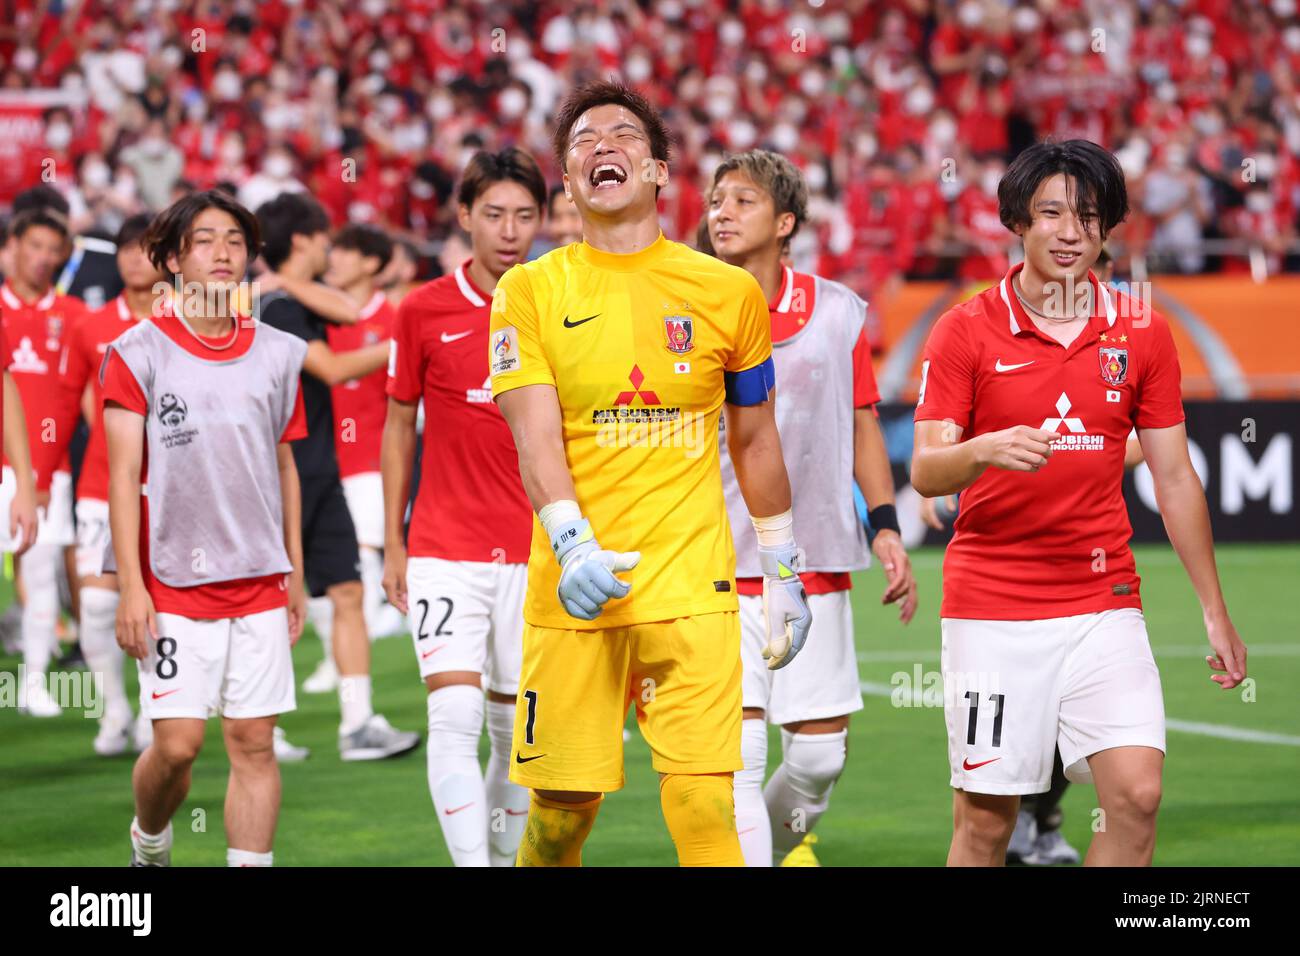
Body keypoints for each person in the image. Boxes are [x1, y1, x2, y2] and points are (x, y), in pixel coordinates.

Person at [489, 81, 812, 867]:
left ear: (661, 170)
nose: (604, 146)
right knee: (561, 815)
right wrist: (572, 547)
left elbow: (757, 439)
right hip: (572, 591)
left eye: (625, 135)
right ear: (567, 181)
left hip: (691, 589)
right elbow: (536, 440)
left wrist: (782, 564)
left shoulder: (729, 292)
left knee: (707, 803)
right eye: (583, 141)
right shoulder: (527, 290)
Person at [911, 140, 1248, 867]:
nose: (1070, 232)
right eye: (1052, 214)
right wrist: (983, 449)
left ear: (1107, 229)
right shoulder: (964, 329)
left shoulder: (1143, 330)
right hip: (991, 610)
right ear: (1018, 223)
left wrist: (1214, 609)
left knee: (1136, 796)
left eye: (1089, 218)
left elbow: (1176, 476)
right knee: (986, 825)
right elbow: (928, 470)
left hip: (1103, 599)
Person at [707, 149, 918, 868]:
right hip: (717, 561)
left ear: (785, 220)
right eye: (716, 202)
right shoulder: (689, 306)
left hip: (816, 560)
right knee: (739, 753)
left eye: (741, 201)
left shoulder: (837, 312)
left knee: (819, 762)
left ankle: (768, 845)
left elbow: (862, 420)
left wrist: (885, 524)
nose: (722, 214)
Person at [102, 190, 308, 867]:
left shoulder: (280, 352)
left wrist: (295, 573)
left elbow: (284, 466)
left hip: (259, 581)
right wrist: (131, 588)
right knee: (178, 746)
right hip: (173, 584)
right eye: (204, 240)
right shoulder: (135, 352)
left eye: (235, 241)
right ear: (171, 259)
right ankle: (151, 840)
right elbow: (122, 477)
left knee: (254, 742)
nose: (223, 253)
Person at [382, 147, 544, 866]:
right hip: (444, 547)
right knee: (452, 713)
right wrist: (393, 540)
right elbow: (395, 426)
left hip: (536, 551)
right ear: (464, 217)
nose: (509, 231)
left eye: (524, 215)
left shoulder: (559, 304)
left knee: (516, 737)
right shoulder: (421, 310)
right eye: (494, 214)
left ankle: (501, 860)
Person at [255, 192, 419, 762]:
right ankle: (261, 729)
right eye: (324, 236)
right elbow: (328, 366)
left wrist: (283, 279)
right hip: (281, 471)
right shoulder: (275, 309)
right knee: (275, 599)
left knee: (348, 590)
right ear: (302, 239)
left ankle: (357, 724)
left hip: (318, 466)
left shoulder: (285, 297)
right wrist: (404, 348)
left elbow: (351, 313)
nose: (331, 246)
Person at [39, 214, 162, 754]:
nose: (133, 258)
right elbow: (68, 403)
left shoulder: (185, 319)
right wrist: (41, 476)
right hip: (100, 483)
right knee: (94, 604)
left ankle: (158, 712)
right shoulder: (90, 326)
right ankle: (113, 711)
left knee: (165, 603)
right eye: (125, 249)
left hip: (169, 485)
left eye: (144, 248)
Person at [0, 207, 87, 717]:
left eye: (54, 250)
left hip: (48, 470)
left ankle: (34, 682)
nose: (44, 258)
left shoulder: (74, 316)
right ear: (13, 245)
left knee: (43, 568)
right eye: (35, 246)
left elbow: (86, 400)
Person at [323, 224, 405, 648]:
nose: (333, 259)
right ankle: (342, 651)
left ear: (371, 263)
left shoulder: (394, 318)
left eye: (344, 251)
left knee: (364, 545)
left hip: (374, 454)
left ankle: (372, 631)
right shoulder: (319, 314)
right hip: (325, 454)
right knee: (332, 556)